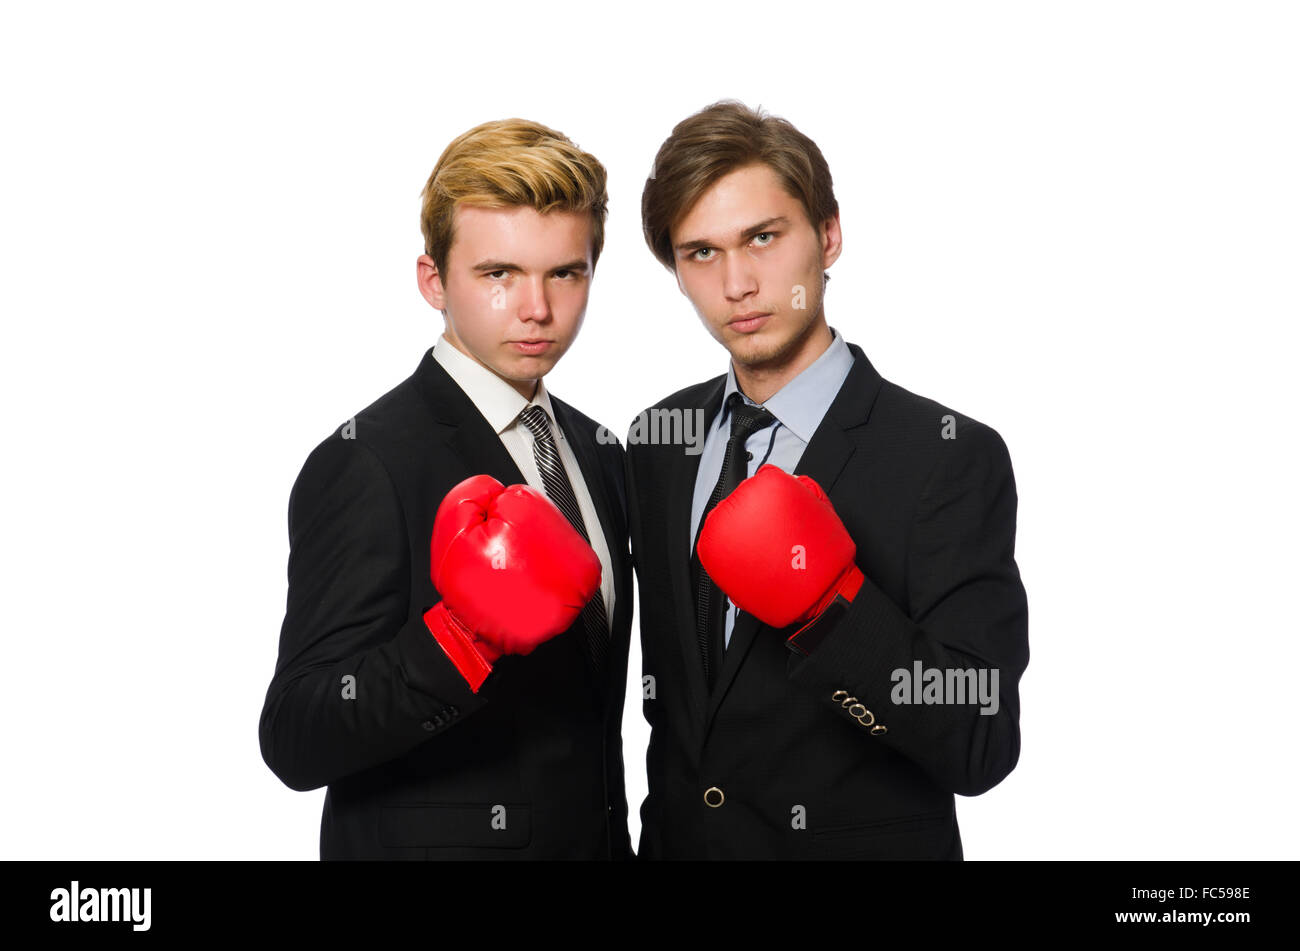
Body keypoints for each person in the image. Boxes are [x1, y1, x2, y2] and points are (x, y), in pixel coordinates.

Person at [628, 100, 1030, 859]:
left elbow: (981, 738)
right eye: (701, 253)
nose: (738, 283)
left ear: (829, 235)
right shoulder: (657, 442)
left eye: (763, 238)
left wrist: (832, 609)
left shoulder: (944, 456)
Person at [259, 118, 634, 860]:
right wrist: (458, 641)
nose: (537, 308)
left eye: (566, 272)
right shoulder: (367, 461)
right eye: (498, 274)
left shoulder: (598, 450)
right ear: (434, 280)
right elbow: (297, 734)